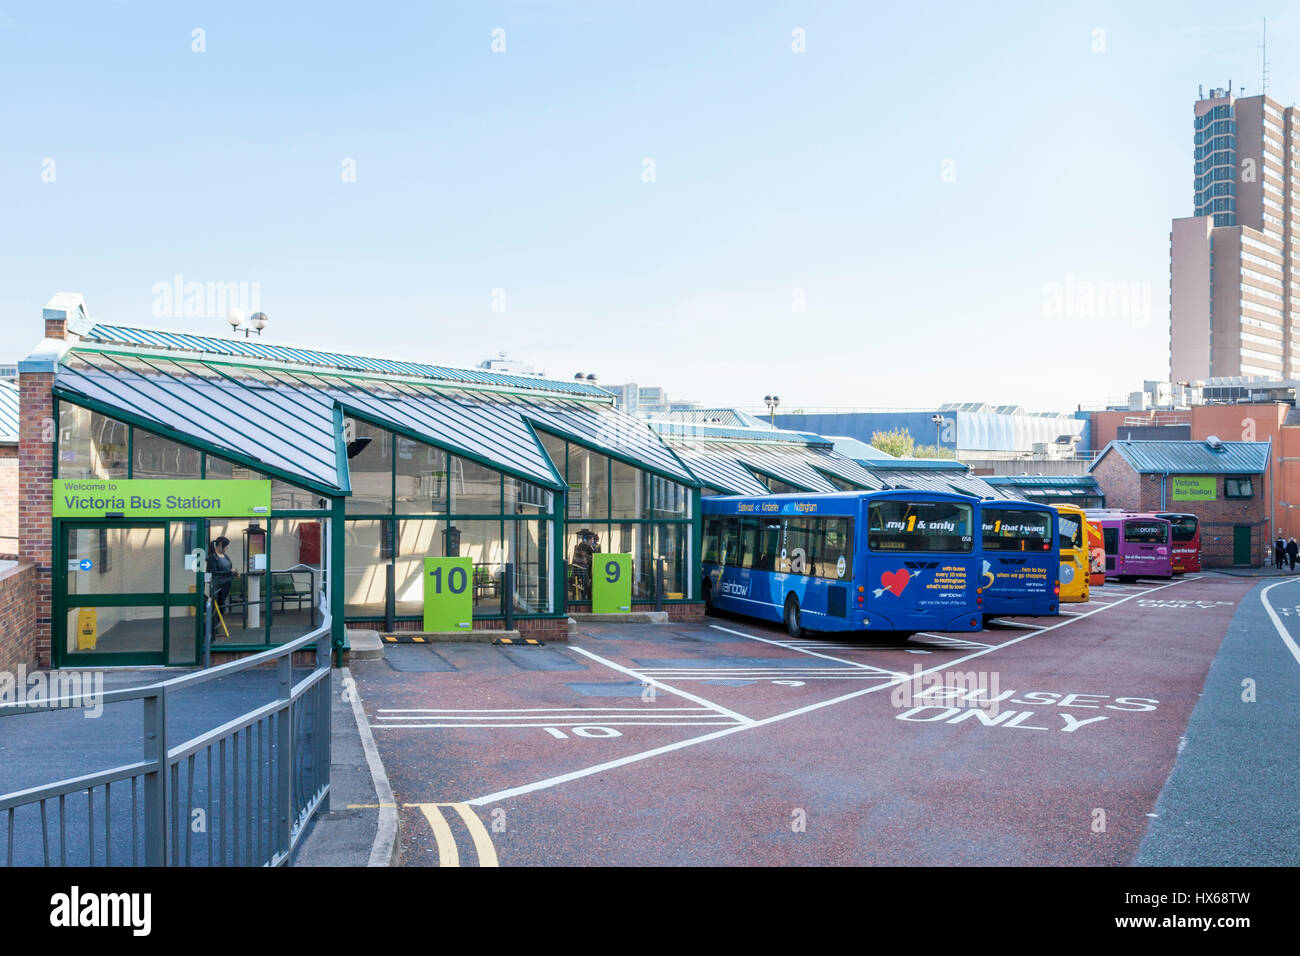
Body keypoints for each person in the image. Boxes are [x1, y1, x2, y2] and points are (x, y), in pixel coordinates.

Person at [207, 536, 237, 617]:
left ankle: (216, 624)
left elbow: (228, 568)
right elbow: (213, 572)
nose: (227, 547)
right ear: (220, 545)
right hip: (218, 584)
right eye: (226, 545)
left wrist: (233, 573)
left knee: (222, 606)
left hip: (226, 583)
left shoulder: (225, 556)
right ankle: (213, 625)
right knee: (219, 606)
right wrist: (229, 572)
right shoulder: (213, 557)